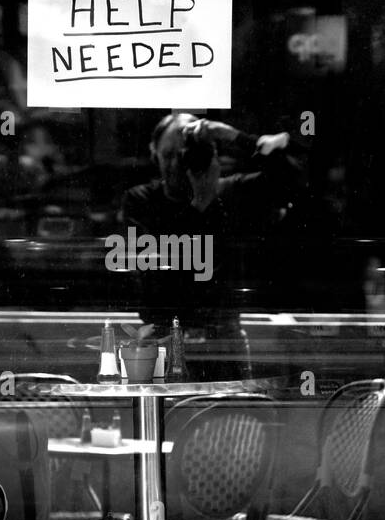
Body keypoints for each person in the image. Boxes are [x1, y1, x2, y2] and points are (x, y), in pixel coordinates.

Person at [119, 112, 302, 380]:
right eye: (168, 154)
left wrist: (234, 137)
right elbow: (158, 279)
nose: (176, 164)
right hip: (164, 337)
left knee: (232, 419)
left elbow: (294, 180)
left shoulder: (229, 192)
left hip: (223, 339)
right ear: (153, 153)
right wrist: (200, 204)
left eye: (184, 155)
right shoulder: (141, 201)